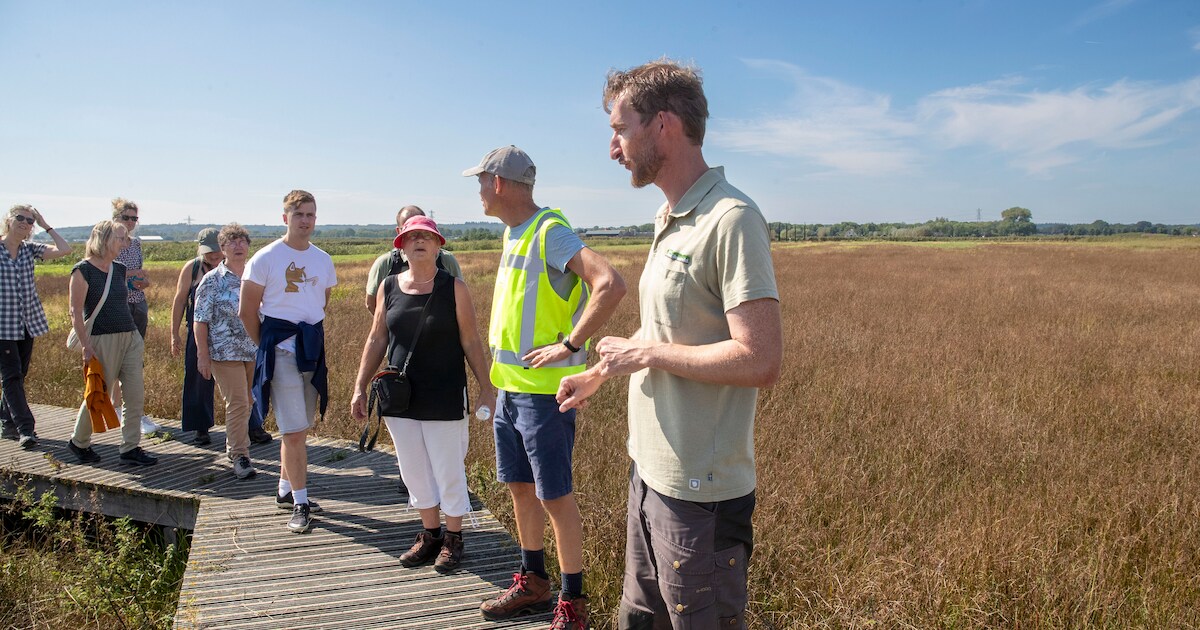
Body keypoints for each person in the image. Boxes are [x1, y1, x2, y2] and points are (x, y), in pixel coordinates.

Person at [557, 60, 782, 630]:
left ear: (664, 125)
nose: (613, 148)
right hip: (649, 471)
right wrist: (603, 371)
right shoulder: (670, 216)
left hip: (701, 493)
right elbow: (664, 335)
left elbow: (759, 358)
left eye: (619, 128)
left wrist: (648, 356)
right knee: (640, 618)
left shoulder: (731, 219)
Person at [464, 145, 626, 628]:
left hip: (544, 396)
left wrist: (571, 343)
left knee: (555, 496)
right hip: (511, 391)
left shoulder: (549, 231)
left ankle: (573, 603)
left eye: (480, 182)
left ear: (497, 183)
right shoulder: (516, 234)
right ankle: (533, 581)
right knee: (520, 489)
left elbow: (610, 283)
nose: (477, 192)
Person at [351, 215, 495, 575]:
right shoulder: (388, 286)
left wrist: (486, 388)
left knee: (447, 469)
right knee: (413, 470)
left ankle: (454, 538)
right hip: (400, 397)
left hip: (445, 394)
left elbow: (471, 340)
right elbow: (376, 338)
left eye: (426, 236)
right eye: (411, 236)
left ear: (438, 245)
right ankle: (430, 534)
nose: (418, 241)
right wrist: (359, 386)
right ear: (400, 246)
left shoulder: (454, 288)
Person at [240, 190, 337, 534]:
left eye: (311, 215)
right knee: (293, 430)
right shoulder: (265, 259)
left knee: (300, 425)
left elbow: (320, 303)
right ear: (285, 218)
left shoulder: (323, 260)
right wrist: (267, 345)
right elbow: (247, 310)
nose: (306, 221)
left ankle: (284, 488)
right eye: (299, 215)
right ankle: (300, 502)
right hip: (279, 349)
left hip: (310, 349)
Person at [67, 219, 159, 466]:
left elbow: (132, 290)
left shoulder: (118, 269)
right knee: (99, 392)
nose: (125, 242)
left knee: (135, 395)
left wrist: (143, 282)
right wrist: (86, 346)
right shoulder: (82, 270)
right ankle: (79, 442)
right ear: (104, 239)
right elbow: (75, 312)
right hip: (101, 339)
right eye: (120, 237)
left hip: (130, 337)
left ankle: (130, 448)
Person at [0, 205, 72, 449]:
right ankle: (25, 428)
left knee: (19, 375)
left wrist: (45, 224)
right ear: (8, 220)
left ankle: (6, 421)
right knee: (11, 376)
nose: (25, 223)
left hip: (27, 323)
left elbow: (65, 249)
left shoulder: (29, 250)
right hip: (3, 325)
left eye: (30, 221)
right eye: (20, 218)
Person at [194, 224, 261, 479]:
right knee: (238, 402)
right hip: (224, 352)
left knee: (249, 400)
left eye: (242, 240)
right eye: (231, 242)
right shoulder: (212, 281)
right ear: (222, 248)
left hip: (254, 349)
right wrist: (202, 355)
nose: (238, 246)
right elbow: (200, 319)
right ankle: (240, 455)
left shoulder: (256, 275)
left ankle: (236, 446)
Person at [110, 198, 161, 434]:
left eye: (134, 218)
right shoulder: (108, 242)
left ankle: (127, 409)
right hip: (118, 305)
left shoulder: (136, 244)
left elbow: (137, 274)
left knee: (134, 358)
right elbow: (107, 274)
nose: (130, 222)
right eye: (126, 217)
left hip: (137, 303)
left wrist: (141, 279)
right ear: (116, 218)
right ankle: (120, 408)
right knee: (117, 359)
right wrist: (132, 275)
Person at [170, 228, 222, 444]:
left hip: (229, 332)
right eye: (210, 252)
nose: (215, 256)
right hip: (198, 330)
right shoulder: (192, 268)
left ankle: (252, 426)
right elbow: (180, 300)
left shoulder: (235, 265)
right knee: (198, 378)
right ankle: (200, 427)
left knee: (243, 379)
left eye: (218, 250)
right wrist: (174, 334)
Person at [364, 205, 463, 315]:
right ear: (399, 232)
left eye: (424, 231)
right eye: (410, 232)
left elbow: (460, 299)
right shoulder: (385, 264)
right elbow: (371, 303)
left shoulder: (446, 260)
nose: (419, 239)